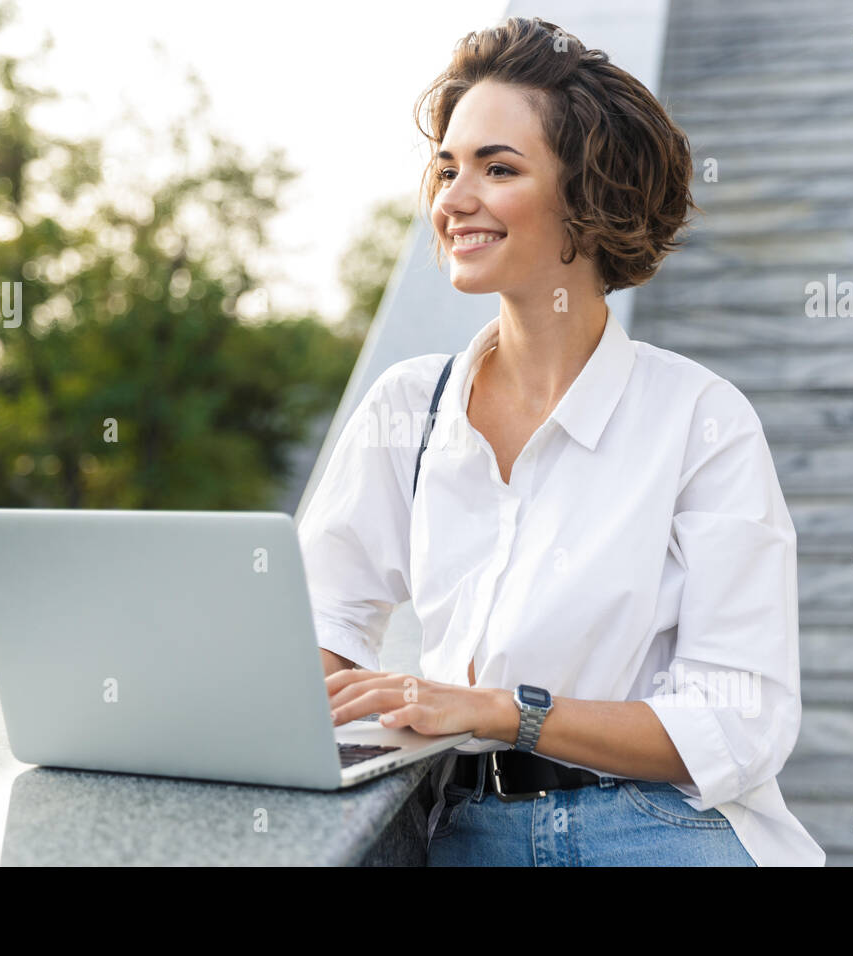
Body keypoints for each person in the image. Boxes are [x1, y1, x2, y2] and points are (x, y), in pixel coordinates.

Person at [298, 16, 825, 867]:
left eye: (497, 168)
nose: (452, 199)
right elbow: (321, 624)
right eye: (446, 167)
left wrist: (499, 709)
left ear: (590, 197)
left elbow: (738, 722)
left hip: (656, 827)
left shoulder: (701, 419)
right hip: (464, 827)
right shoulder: (411, 409)